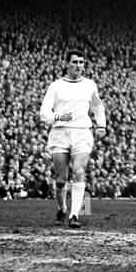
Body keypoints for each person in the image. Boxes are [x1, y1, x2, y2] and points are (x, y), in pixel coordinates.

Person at [39, 51, 107, 229]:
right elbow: (44, 113)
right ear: (67, 64)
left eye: (81, 62)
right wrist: (58, 116)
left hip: (82, 132)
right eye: (75, 62)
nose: (79, 65)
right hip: (60, 133)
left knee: (79, 172)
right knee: (61, 180)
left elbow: (98, 105)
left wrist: (101, 125)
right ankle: (62, 208)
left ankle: (74, 215)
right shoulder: (56, 86)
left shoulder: (89, 85)